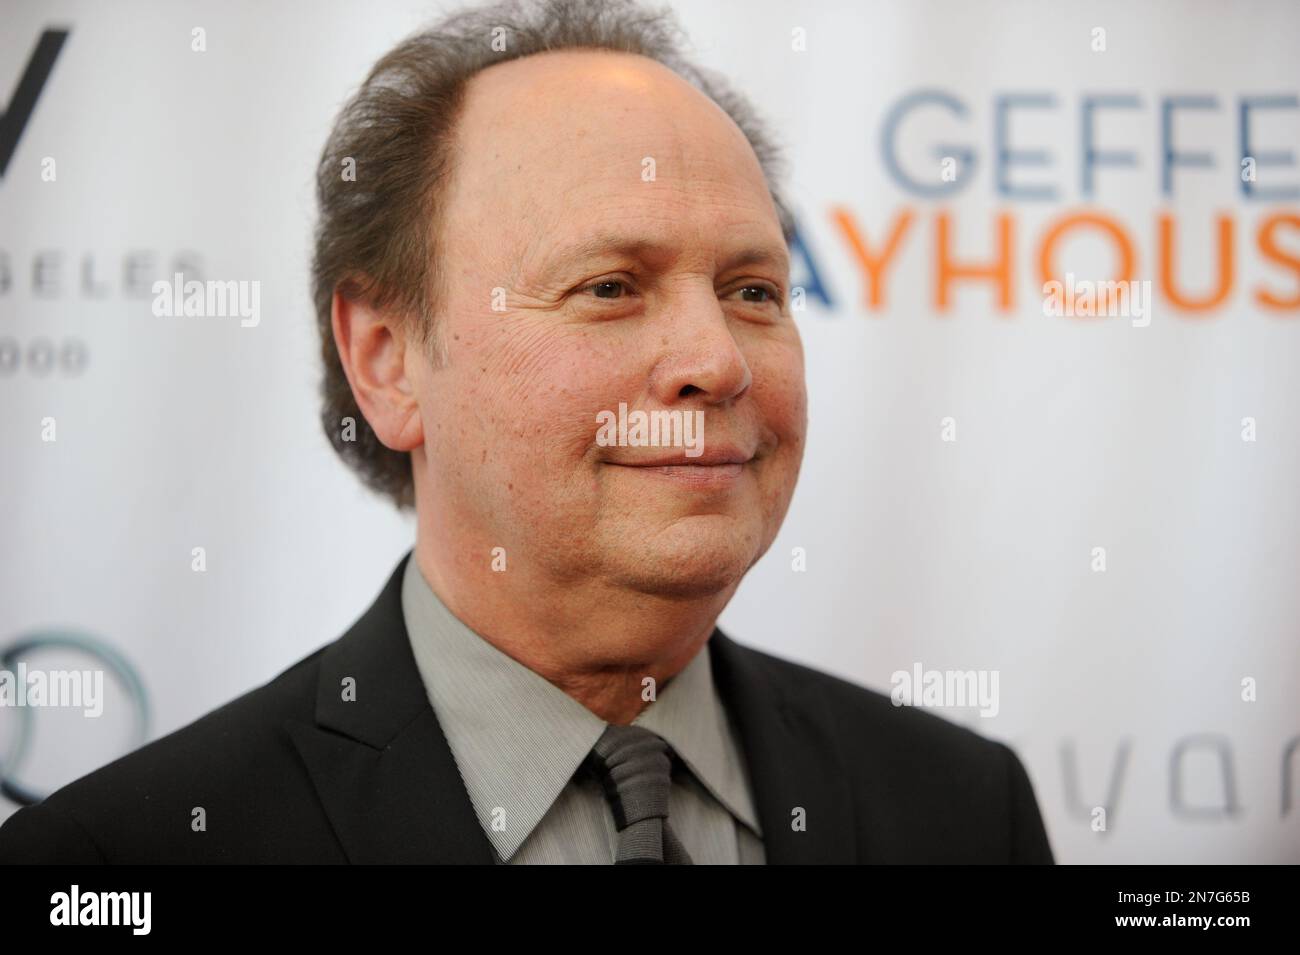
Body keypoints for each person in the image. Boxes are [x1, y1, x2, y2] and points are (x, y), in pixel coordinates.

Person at [0, 0, 1053, 864]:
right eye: (608, 286)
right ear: (386, 359)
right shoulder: (120, 858)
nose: (718, 359)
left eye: (753, 289)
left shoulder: (960, 811)